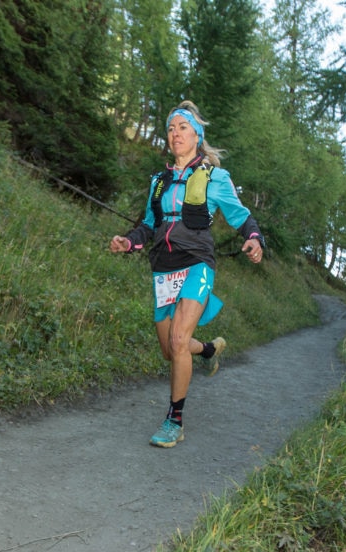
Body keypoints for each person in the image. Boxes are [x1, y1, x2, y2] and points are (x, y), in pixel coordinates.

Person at [109, 100, 266, 448]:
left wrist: (254, 238)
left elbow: (241, 216)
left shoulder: (215, 178)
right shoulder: (159, 182)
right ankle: (208, 350)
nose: (175, 133)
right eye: (170, 128)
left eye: (182, 127)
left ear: (197, 134)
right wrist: (128, 242)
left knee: (179, 341)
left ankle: (174, 420)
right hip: (164, 267)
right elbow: (148, 226)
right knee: (170, 349)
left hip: (197, 263)